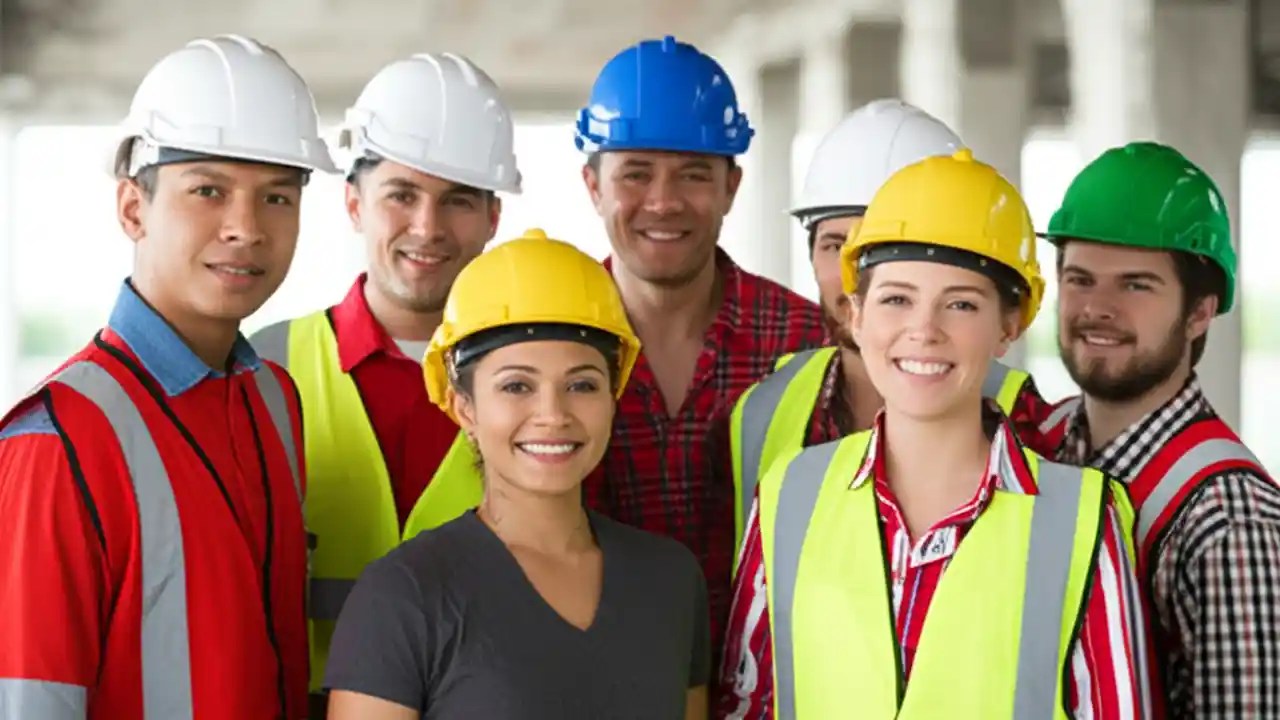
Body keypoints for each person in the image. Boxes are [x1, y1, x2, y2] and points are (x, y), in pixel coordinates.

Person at [718, 149, 1153, 719]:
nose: (924, 331)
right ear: (856, 315)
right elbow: (745, 706)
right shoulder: (787, 497)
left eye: (961, 304)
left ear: (1008, 326)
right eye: (897, 299)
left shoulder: (1082, 523)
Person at [0, 34, 335, 718]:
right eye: (208, 191)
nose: (245, 228)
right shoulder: (55, 442)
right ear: (133, 208)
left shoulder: (274, 398)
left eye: (278, 197)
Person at [322, 229, 711, 720]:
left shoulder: (671, 579)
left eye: (582, 385)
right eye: (517, 386)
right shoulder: (403, 596)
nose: (553, 414)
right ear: (465, 407)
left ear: (613, 398)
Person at [248, 51, 521, 712]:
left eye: (456, 200)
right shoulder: (263, 367)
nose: (427, 227)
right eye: (402, 195)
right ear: (353, 203)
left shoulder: (535, 382)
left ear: (492, 218)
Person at [575, 34, 827, 650]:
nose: (662, 202)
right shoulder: (552, 341)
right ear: (593, 185)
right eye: (635, 174)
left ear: (731, 187)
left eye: (693, 174)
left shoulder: (808, 343)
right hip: (600, 689)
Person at [726, 99, 1051, 554]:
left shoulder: (1030, 422)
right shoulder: (761, 409)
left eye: (880, 254)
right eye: (835, 246)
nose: (853, 279)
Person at [1036, 141, 1280, 718]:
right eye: (1081, 279)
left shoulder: (1230, 524)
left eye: (1135, 285)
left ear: (1199, 311)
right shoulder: (1040, 450)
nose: (1098, 308)